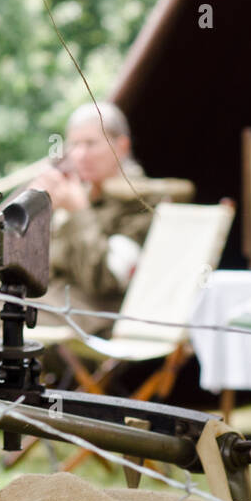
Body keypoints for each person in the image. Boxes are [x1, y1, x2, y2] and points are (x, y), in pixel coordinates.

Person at [29, 102, 194, 336]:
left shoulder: (144, 202)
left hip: (94, 317)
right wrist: (38, 215)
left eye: (90, 144)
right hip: (50, 301)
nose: (79, 155)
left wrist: (78, 212)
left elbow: (104, 280)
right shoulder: (79, 194)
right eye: (74, 145)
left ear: (122, 146)